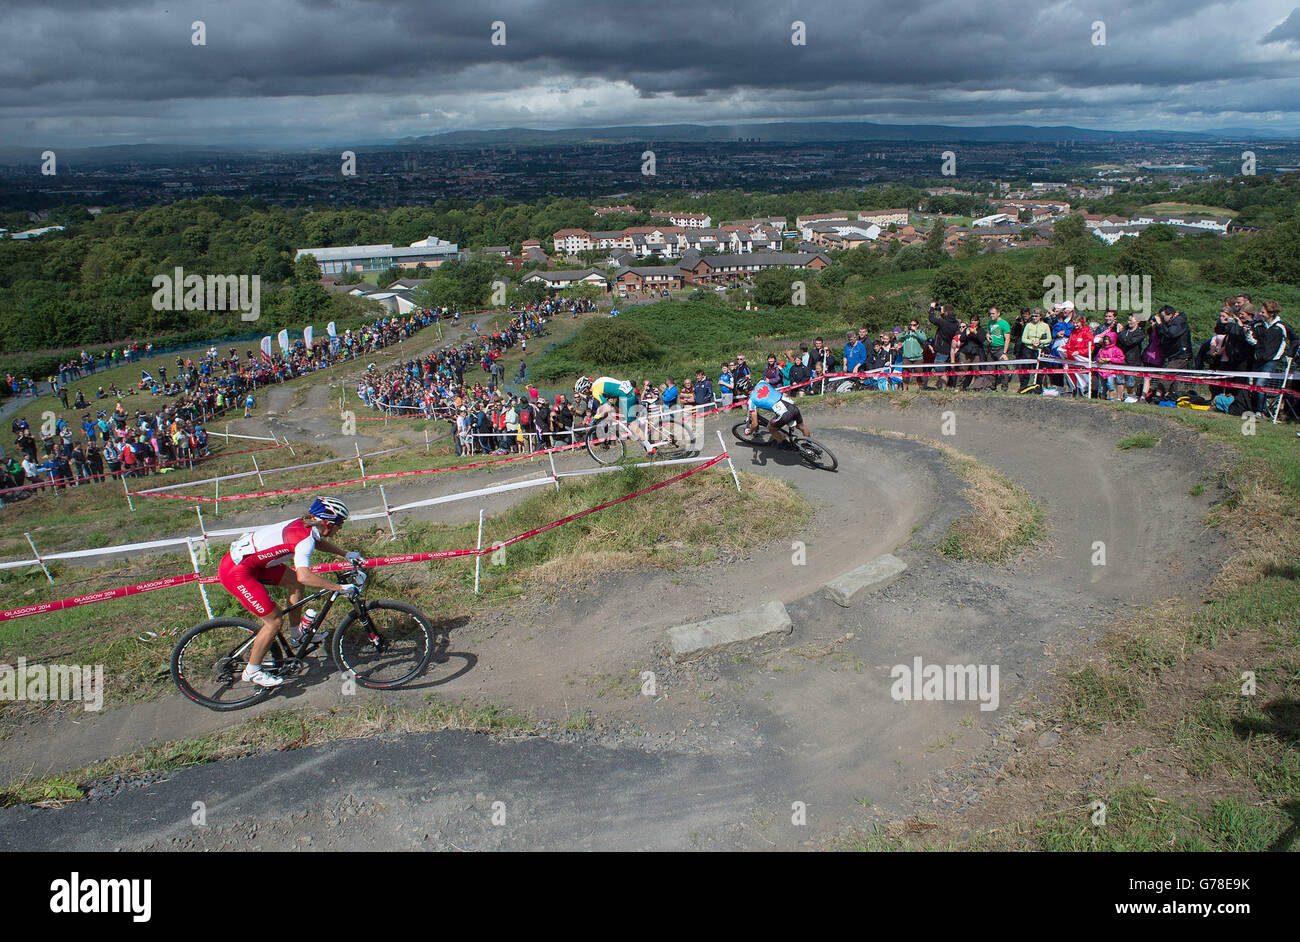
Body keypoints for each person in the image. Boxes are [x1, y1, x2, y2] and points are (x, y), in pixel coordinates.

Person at [218, 497, 365, 688]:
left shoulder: (306, 525)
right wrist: (338, 588)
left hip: (254, 563)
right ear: (327, 524)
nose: (341, 528)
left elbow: (316, 542)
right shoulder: (304, 539)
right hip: (237, 572)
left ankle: (296, 635)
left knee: (295, 584)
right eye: (339, 524)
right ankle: (252, 670)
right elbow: (305, 575)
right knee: (274, 621)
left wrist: (345, 554)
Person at [574, 375, 655, 452]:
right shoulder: (598, 382)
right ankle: (637, 429)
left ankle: (650, 449)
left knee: (631, 425)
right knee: (616, 410)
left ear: (586, 389)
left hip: (626, 395)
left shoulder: (595, 391)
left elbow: (607, 407)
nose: (585, 394)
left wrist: (597, 416)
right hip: (625, 392)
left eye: (584, 392)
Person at [746, 379, 808, 449]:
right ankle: (809, 444)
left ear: (744, 391)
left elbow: (755, 424)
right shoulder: (761, 382)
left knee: (770, 427)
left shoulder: (751, 401)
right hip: (792, 406)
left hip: (784, 414)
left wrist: (750, 431)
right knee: (801, 426)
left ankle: (785, 444)